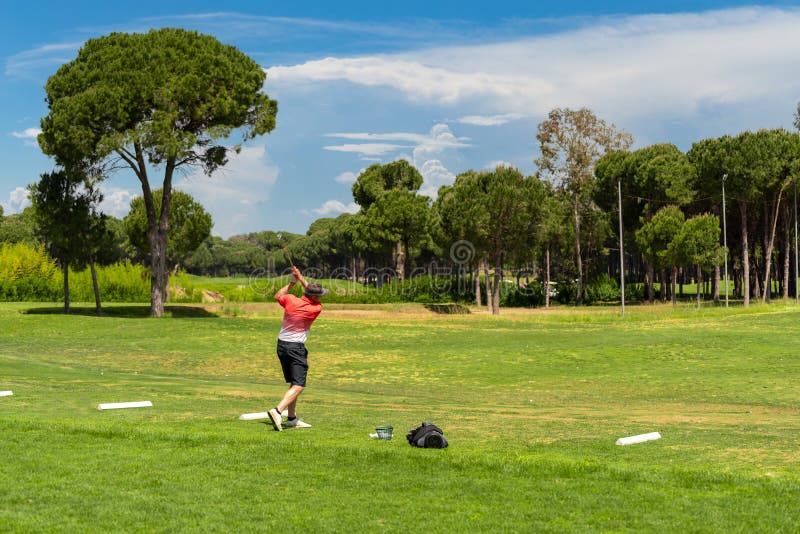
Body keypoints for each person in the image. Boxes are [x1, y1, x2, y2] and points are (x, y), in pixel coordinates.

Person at [268, 266, 328, 431]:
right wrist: (301, 279)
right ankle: (277, 411)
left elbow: (277, 295)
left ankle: (292, 418)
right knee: (299, 385)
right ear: (315, 297)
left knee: (294, 383)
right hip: (295, 348)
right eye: (320, 295)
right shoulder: (316, 308)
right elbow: (311, 294)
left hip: (281, 346)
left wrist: (293, 282)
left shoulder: (291, 300)